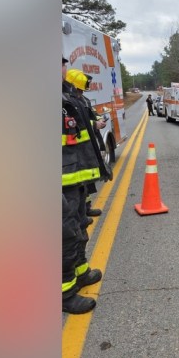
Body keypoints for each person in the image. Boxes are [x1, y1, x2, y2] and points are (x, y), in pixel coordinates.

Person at [62, 61, 106, 314]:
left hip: (74, 180)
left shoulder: (70, 100)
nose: (64, 69)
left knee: (78, 228)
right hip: (62, 182)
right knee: (64, 237)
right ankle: (65, 293)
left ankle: (80, 272)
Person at [65, 69, 111, 219]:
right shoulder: (69, 103)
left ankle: (86, 208)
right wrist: (93, 124)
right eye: (79, 89)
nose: (81, 92)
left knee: (86, 183)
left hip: (87, 144)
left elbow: (90, 115)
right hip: (75, 149)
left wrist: (98, 120)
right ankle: (82, 212)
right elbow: (79, 124)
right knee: (80, 183)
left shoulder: (83, 100)